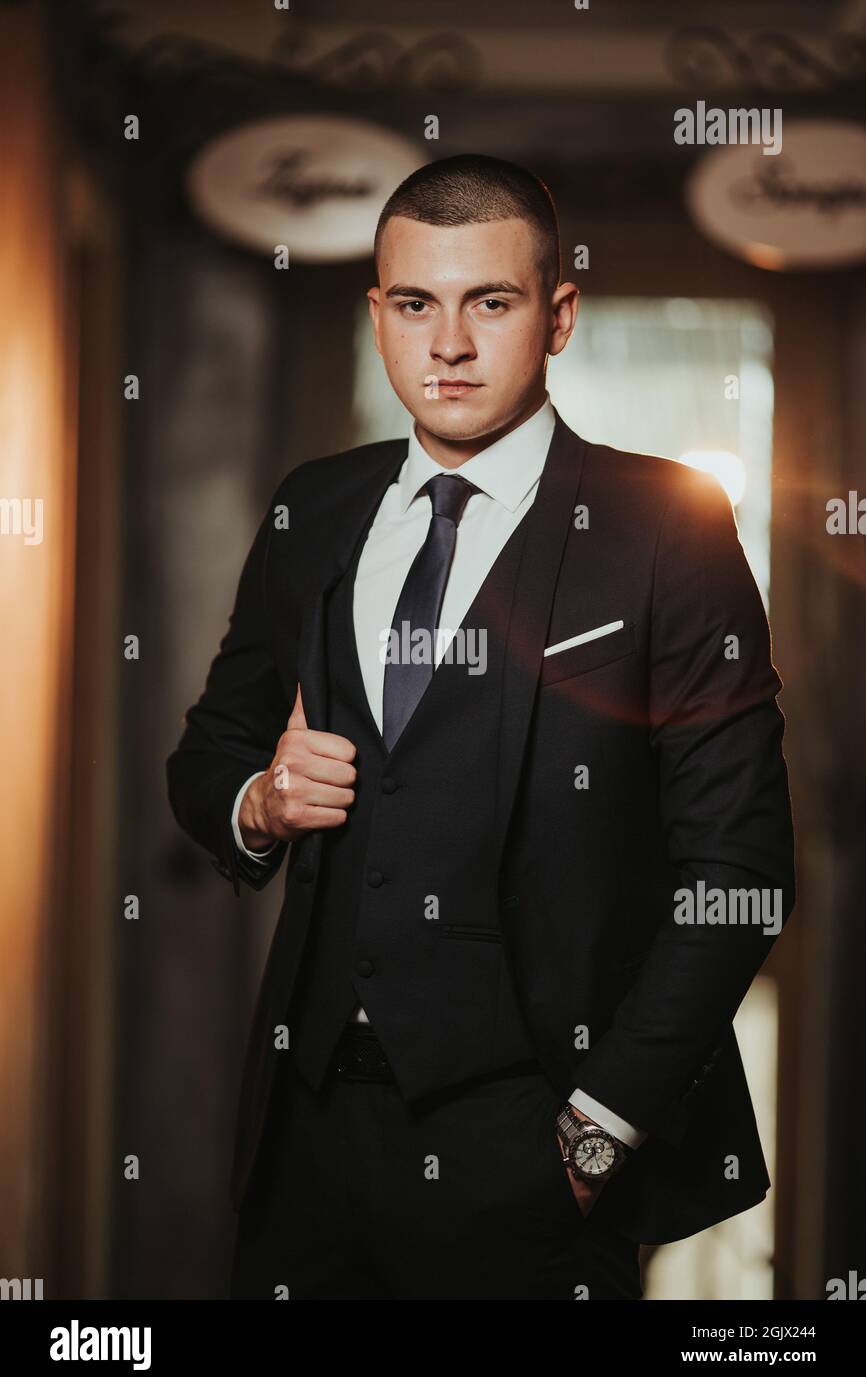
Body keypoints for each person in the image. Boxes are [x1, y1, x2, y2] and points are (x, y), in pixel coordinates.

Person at [166, 153, 795, 1300]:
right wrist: (259, 801)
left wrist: (592, 1138)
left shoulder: (667, 528)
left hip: (536, 1143)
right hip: (305, 1138)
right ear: (377, 315)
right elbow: (208, 750)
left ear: (555, 315)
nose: (445, 345)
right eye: (414, 304)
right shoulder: (316, 504)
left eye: (487, 303)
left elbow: (738, 869)